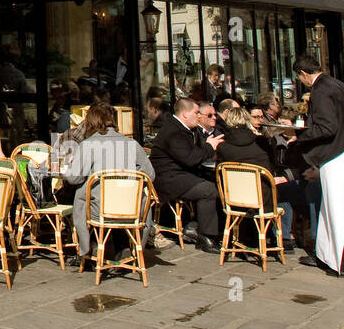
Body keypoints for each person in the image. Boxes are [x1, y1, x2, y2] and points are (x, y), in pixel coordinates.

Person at [288, 54, 344, 279]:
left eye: (299, 78)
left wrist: (299, 137)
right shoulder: (337, 84)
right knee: (332, 208)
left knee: (339, 210)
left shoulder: (320, 90)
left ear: (303, 74)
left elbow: (327, 127)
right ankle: (329, 256)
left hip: (338, 153)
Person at [62, 102, 155, 258]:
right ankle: (123, 247)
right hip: (130, 207)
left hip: (100, 210)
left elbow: (73, 178)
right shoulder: (132, 144)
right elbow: (150, 174)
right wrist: (128, 176)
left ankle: (92, 246)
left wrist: (70, 163)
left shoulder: (87, 145)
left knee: (84, 195)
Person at [216, 104, 297, 252]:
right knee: (283, 191)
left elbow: (219, 172)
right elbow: (270, 168)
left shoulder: (222, 146)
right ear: (247, 120)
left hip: (233, 198)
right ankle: (283, 238)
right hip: (261, 198)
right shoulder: (260, 142)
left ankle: (250, 236)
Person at [151, 98, 224, 253]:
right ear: (185, 114)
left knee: (216, 182)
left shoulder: (184, 129)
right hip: (168, 180)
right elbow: (190, 159)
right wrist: (209, 147)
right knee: (208, 190)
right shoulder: (173, 131)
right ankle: (206, 236)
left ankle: (195, 227)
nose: (199, 116)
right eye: (196, 112)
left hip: (180, 175)